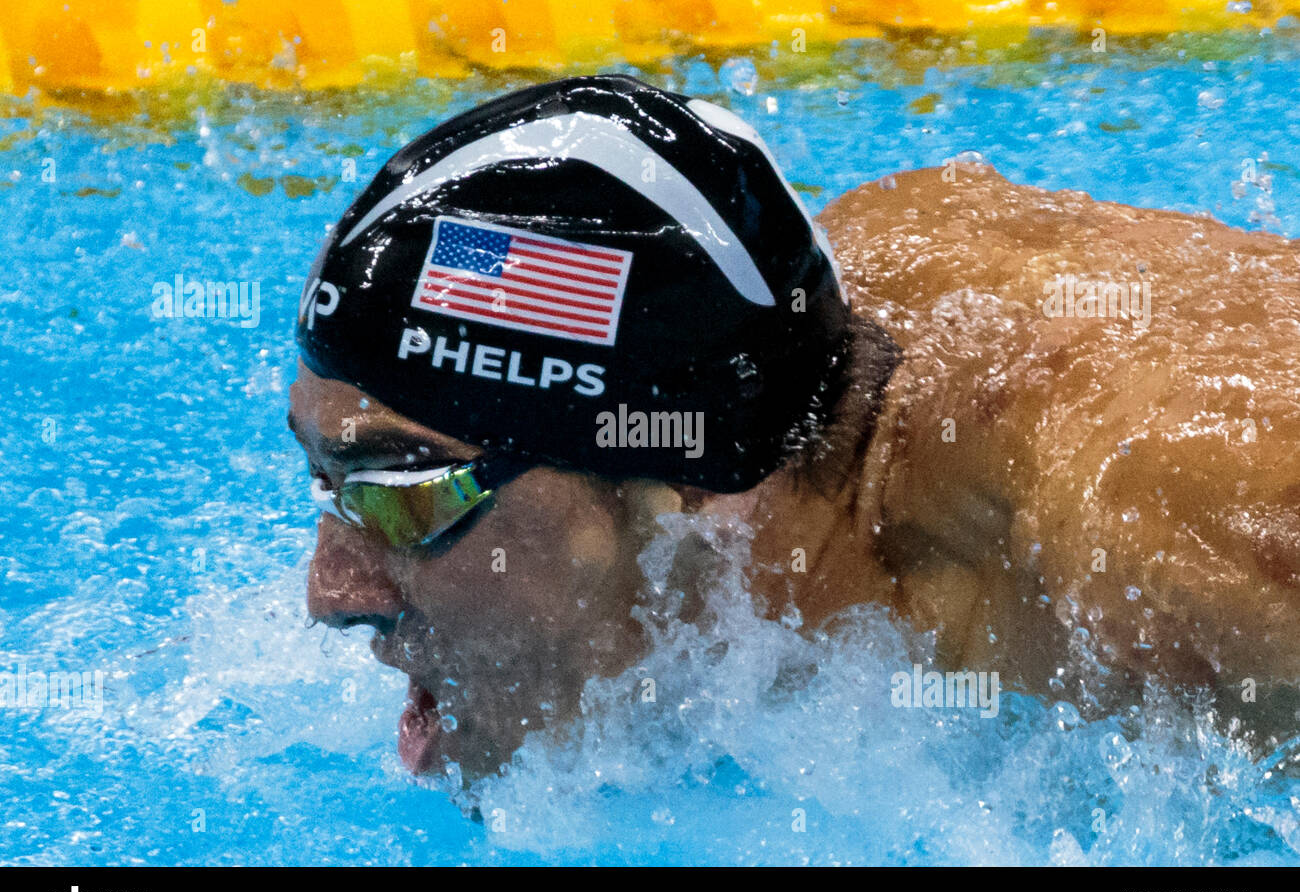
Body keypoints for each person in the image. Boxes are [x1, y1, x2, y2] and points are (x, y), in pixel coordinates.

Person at [290, 75, 1300, 780]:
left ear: (669, 466)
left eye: (408, 492)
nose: (329, 594)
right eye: (330, 484)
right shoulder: (781, 324)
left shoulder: (1172, 534)